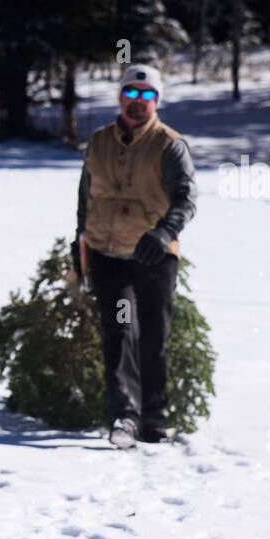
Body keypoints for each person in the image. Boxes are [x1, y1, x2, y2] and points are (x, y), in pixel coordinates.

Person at [73, 64, 197, 449]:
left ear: (156, 100)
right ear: (121, 95)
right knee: (120, 330)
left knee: (153, 335)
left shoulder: (170, 145)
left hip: (154, 259)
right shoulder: (99, 142)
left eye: (147, 94)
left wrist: (163, 234)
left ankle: (153, 419)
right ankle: (124, 417)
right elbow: (85, 197)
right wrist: (79, 246)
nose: (138, 101)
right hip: (108, 255)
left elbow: (187, 198)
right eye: (132, 92)